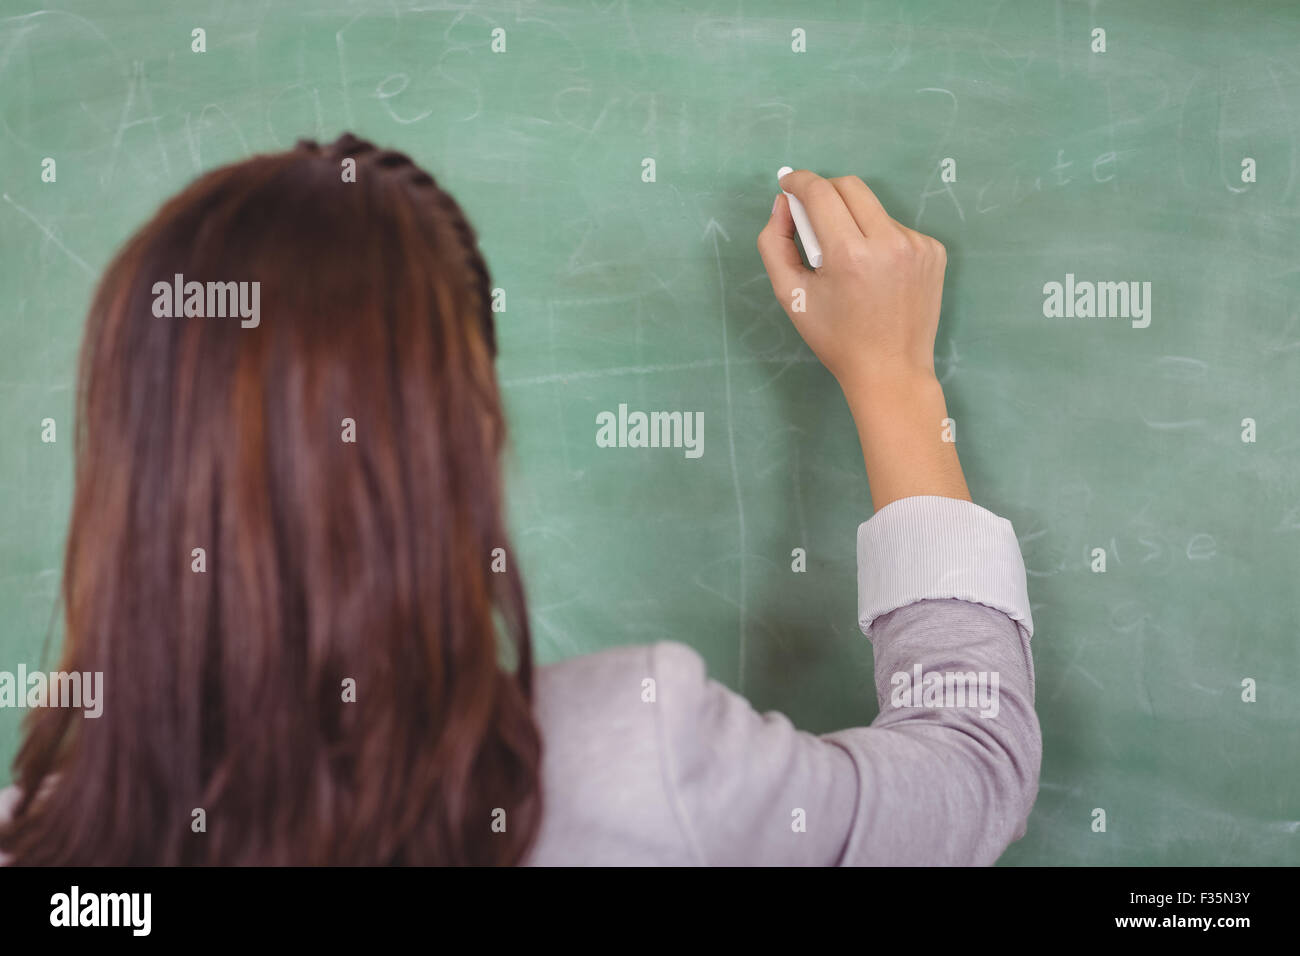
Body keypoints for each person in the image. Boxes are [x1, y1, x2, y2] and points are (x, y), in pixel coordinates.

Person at [0, 134, 1039, 865]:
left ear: (127, 475)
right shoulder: (636, 763)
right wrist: (893, 382)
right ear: (467, 448)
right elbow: (969, 766)